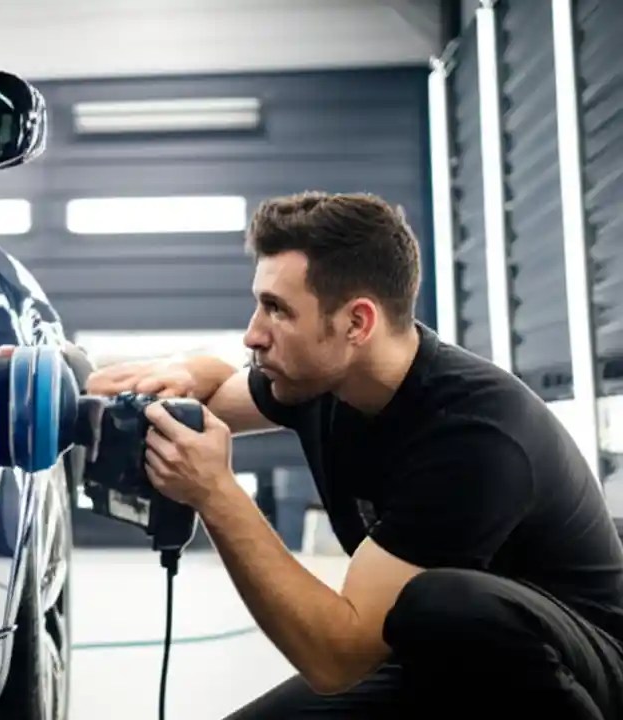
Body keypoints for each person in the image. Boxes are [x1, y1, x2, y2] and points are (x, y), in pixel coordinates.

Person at [87, 191, 623, 718]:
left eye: (276, 309)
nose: (253, 334)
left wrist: (216, 494)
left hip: (577, 674)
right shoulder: (321, 382)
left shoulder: (476, 435)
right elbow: (212, 396)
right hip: (437, 659)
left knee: (443, 601)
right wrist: (175, 369)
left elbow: (337, 658)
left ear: (356, 323)